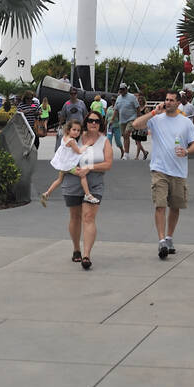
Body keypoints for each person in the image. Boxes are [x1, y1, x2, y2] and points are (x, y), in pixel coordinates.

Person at [131, 90, 194, 259]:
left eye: (171, 100)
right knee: (160, 205)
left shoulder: (185, 122)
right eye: (166, 100)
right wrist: (154, 112)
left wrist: (186, 151)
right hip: (159, 169)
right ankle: (161, 240)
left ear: (178, 103)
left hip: (178, 170)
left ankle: (169, 237)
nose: (167, 102)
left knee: (175, 207)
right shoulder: (156, 119)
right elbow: (136, 125)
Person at [60, 112, 113, 270]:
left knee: (88, 217)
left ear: (100, 123)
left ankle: (86, 255)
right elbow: (61, 156)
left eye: (96, 121)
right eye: (90, 120)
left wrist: (90, 168)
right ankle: (76, 248)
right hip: (73, 181)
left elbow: (108, 164)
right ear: (86, 122)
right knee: (75, 217)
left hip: (94, 183)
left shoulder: (104, 141)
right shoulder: (75, 135)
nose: (93, 123)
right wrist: (73, 170)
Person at [41, 120, 95, 205]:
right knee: (82, 175)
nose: (76, 132)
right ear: (68, 130)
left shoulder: (65, 137)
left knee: (59, 180)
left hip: (63, 164)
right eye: (74, 130)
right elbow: (79, 151)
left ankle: (47, 193)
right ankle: (87, 194)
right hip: (68, 166)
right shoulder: (72, 141)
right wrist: (88, 144)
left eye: (78, 130)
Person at [115, 83, 139, 158]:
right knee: (125, 137)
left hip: (131, 119)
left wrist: (138, 119)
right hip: (122, 120)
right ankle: (126, 153)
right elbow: (116, 109)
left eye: (123, 89)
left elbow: (137, 107)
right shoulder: (118, 98)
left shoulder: (132, 97)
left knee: (126, 133)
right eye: (120, 89)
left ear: (126, 89)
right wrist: (113, 119)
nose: (121, 91)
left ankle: (126, 154)